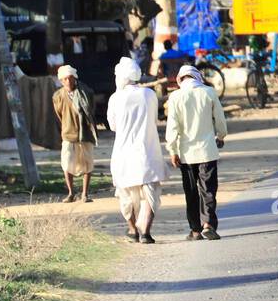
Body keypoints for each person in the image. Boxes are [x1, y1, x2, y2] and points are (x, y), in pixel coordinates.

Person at [165, 63, 228, 241]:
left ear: (180, 79)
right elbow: (221, 120)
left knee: (191, 191)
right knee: (208, 190)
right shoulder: (209, 92)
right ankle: (208, 224)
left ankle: (195, 230)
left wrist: (172, 150)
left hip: (185, 153)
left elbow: (172, 127)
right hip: (207, 150)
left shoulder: (175, 97)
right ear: (197, 77)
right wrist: (221, 136)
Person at [107, 56, 166, 243]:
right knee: (151, 193)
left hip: (123, 153)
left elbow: (113, 126)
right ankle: (146, 231)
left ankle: (132, 229)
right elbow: (154, 119)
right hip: (148, 151)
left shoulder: (115, 98)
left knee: (125, 194)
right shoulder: (149, 95)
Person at [52, 64, 97, 203]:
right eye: (65, 79)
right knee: (67, 164)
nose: (68, 81)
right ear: (61, 81)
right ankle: (71, 193)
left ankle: (85, 194)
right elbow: (59, 115)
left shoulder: (86, 92)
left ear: (75, 78)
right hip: (68, 134)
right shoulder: (58, 96)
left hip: (85, 133)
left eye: (70, 78)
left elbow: (91, 110)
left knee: (87, 164)